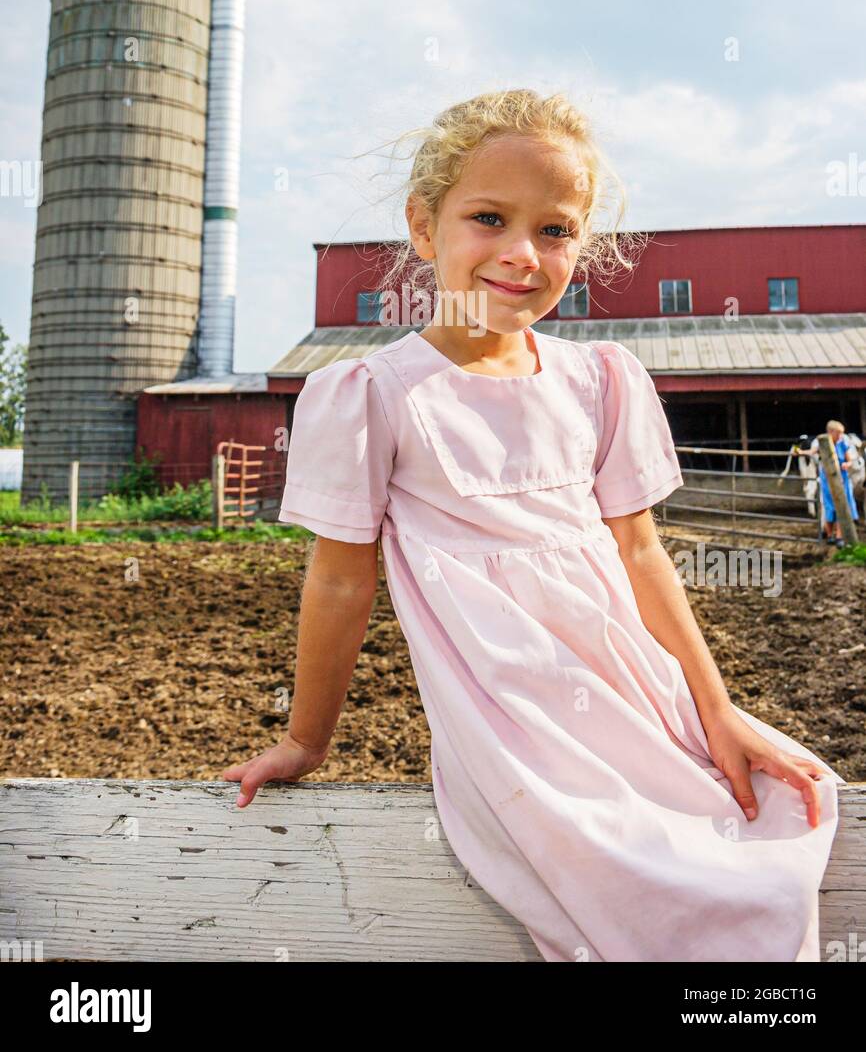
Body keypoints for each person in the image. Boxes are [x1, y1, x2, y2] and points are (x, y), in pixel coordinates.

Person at [223, 89, 844, 963]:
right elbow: (338, 578)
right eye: (488, 217)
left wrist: (719, 709)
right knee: (651, 897)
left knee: (776, 838)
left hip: (637, 697)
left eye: (555, 231)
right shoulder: (374, 396)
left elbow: (640, 554)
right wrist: (304, 738)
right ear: (423, 225)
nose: (522, 254)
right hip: (512, 726)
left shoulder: (599, 380)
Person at [814, 420, 860, 547]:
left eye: (841, 433)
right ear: (830, 432)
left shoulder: (843, 444)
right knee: (829, 507)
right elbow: (812, 452)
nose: (840, 436)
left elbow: (849, 461)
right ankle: (829, 535)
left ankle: (839, 536)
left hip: (842, 478)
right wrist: (800, 452)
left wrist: (847, 464)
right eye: (838, 433)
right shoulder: (822, 444)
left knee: (841, 505)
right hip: (827, 479)